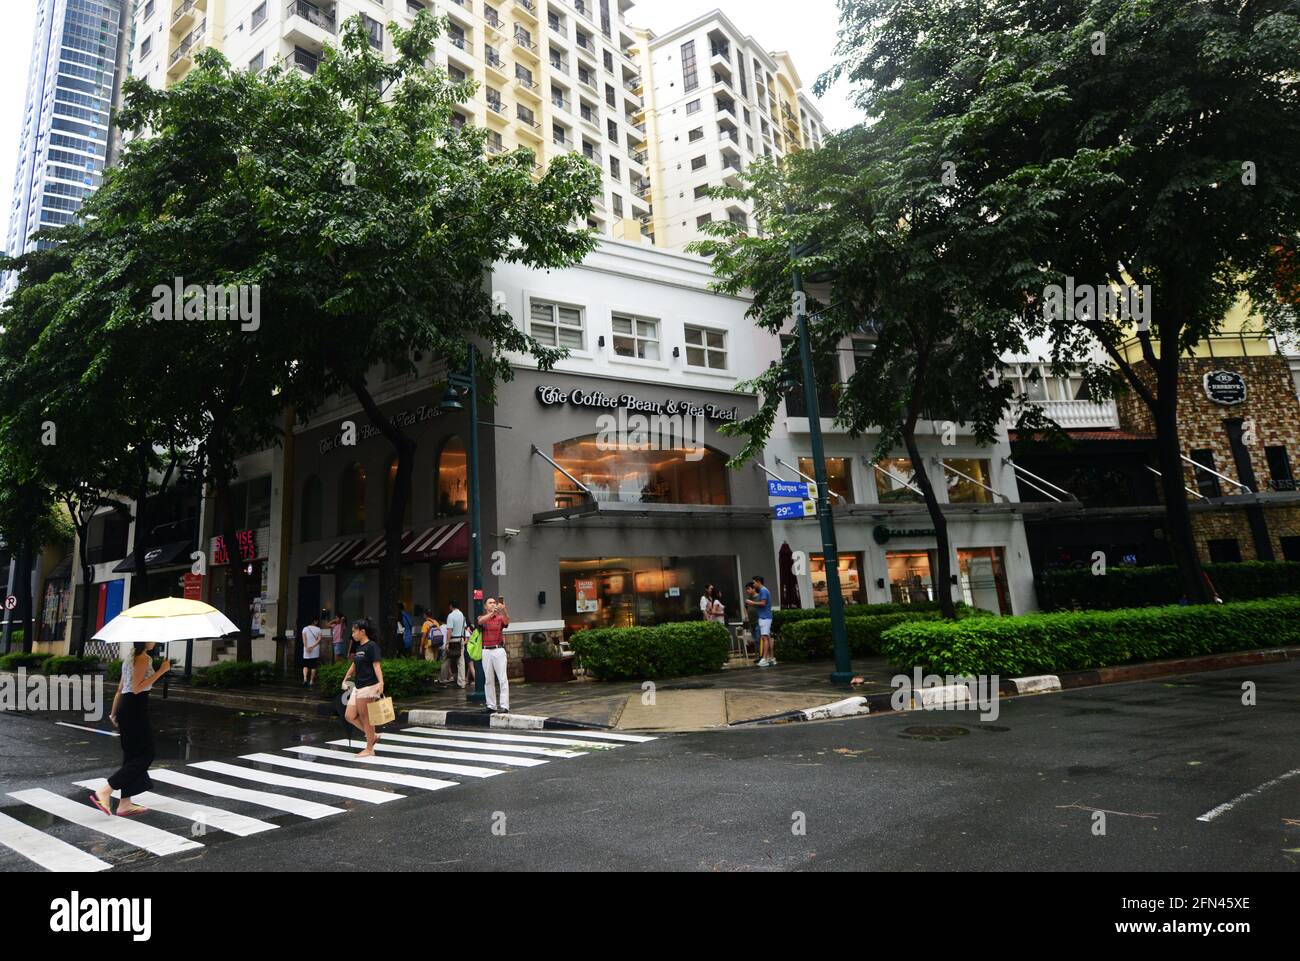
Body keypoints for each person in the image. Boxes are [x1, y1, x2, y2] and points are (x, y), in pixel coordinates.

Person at [91, 642, 171, 817]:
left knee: (132, 756)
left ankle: (124, 804)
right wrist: (161, 671)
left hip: (126, 708)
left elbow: (121, 689)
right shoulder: (142, 659)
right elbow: (136, 688)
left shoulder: (130, 658)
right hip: (135, 709)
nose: (155, 641)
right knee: (146, 754)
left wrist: (114, 713)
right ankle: (106, 790)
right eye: (153, 638)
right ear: (144, 639)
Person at [341, 618, 384, 757]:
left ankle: (370, 748)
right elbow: (354, 665)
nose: (352, 634)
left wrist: (381, 683)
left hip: (369, 686)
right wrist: (345, 678)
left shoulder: (372, 646)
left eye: (354, 631)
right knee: (349, 715)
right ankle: (373, 735)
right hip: (358, 686)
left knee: (366, 717)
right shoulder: (359, 648)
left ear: (362, 631)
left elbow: (376, 666)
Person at [477, 597, 510, 713]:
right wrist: (492, 613)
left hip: (498, 650)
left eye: (494, 602)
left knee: (502, 678)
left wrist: (504, 609)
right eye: (490, 603)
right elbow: (480, 622)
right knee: (488, 680)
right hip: (486, 651)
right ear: (485, 606)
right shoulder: (482, 617)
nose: (492, 604)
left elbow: (507, 622)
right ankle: (491, 705)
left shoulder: (500, 618)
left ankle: (504, 705)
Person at [745, 574, 776, 667]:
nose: (753, 584)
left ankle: (764, 659)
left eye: (754, 582)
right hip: (766, 617)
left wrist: (751, 603)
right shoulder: (765, 590)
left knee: (764, 638)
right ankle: (771, 658)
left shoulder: (763, 590)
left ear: (758, 582)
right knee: (768, 638)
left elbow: (763, 603)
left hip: (764, 617)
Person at [441, 599, 469, 688]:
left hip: (452, 640)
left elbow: (449, 630)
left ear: (451, 606)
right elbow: (464, 628)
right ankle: (462, 682)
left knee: (446, 660)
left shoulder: (451, 616)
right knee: (461, 661)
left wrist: (447, 643)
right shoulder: (462, 615)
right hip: (460, 640)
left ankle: (443, 679)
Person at [301, 616, 323, 687]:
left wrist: (307, 647)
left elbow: (304, 640)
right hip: (315, 649)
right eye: (317, 621)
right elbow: (319, 640)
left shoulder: (305, 629)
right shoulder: (318, 629)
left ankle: (304, 679)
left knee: (305, 665)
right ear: (315, 621)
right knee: (313, 666)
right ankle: (311, 681)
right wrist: (312, 647)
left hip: (306, 649)